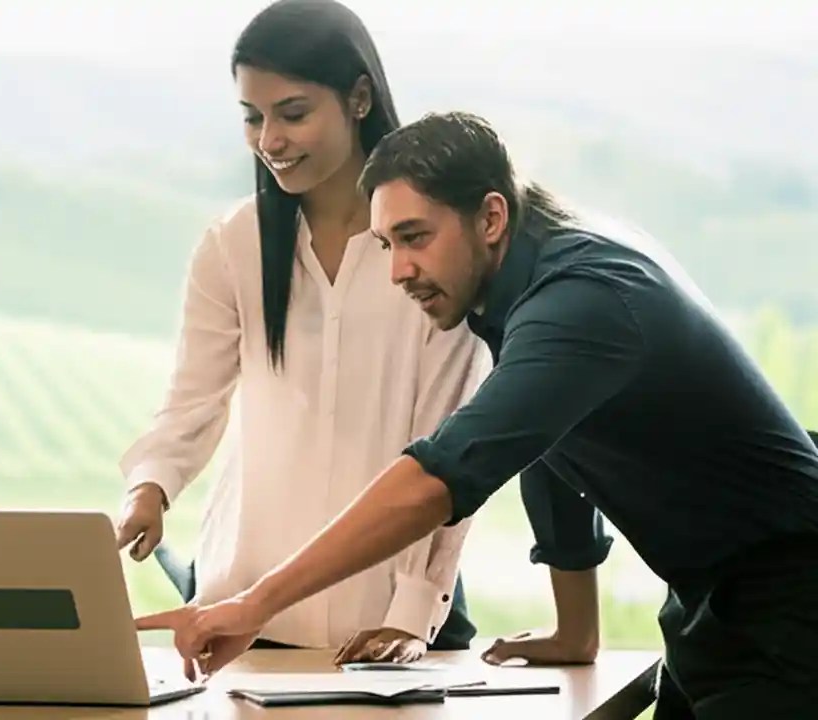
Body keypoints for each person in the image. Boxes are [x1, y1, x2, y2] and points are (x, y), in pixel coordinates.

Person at [137, 111, 818, 719]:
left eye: (415, 237)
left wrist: (257, 604)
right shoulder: (526, 278)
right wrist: (576, 631)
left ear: (490, 217)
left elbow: (440, 477)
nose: (399, 270)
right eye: (387, 245)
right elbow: (550, 446)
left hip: (790, 607)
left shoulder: (583, 298)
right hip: (717, 604)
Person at [114, 0, 490, 664]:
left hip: (384, 630)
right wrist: (150, 488)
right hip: (241, 610)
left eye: (292, 114)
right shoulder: (234, 244)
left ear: (359, 98)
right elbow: (191, 402)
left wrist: (410, 613)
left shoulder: (429, 246)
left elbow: (450, 442)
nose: (270, 140)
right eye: (253, 118)